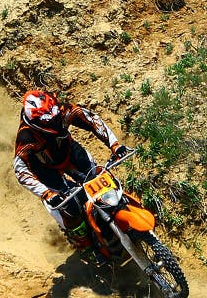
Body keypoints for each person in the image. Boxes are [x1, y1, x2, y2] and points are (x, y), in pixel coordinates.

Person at [13, 90, 130, 263]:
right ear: (37, 121)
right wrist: (46, 194)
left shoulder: (62, 110)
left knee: (101, 180)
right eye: (50, 121)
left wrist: (115, 145)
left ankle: (121, 211)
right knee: (70, 207)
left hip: (69, 153)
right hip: (45, 170)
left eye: (56, 117)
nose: (56, 122)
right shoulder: (26, 137)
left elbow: (90, 119)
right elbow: (20, 169)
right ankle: (86, 247)